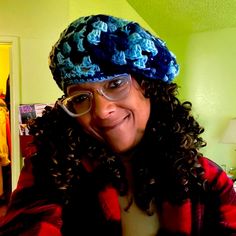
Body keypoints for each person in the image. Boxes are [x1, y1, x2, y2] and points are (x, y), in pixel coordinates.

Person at [0, 14, 236, 236]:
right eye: (81, 98)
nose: (102, 112)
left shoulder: (208, 181)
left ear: (147, 86)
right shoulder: (50, 173)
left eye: (115, 85)